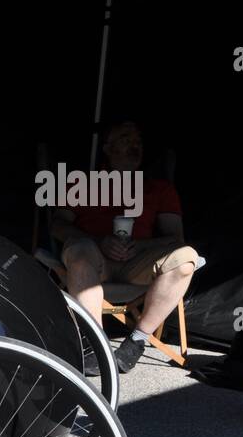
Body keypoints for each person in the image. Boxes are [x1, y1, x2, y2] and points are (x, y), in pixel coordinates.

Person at [52, 121, 198, 374]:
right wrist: (100, 242)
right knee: (79, 248)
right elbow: (57, 225)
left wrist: (138, 246)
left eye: (138, 141)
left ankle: (137, 340)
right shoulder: (83, 184)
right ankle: (95, 344)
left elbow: (175, 238)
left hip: (138, 264)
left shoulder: (158, 188)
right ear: (107, 148)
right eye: (125, 138)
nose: (135, 145)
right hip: (95, 260)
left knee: (186, 258)